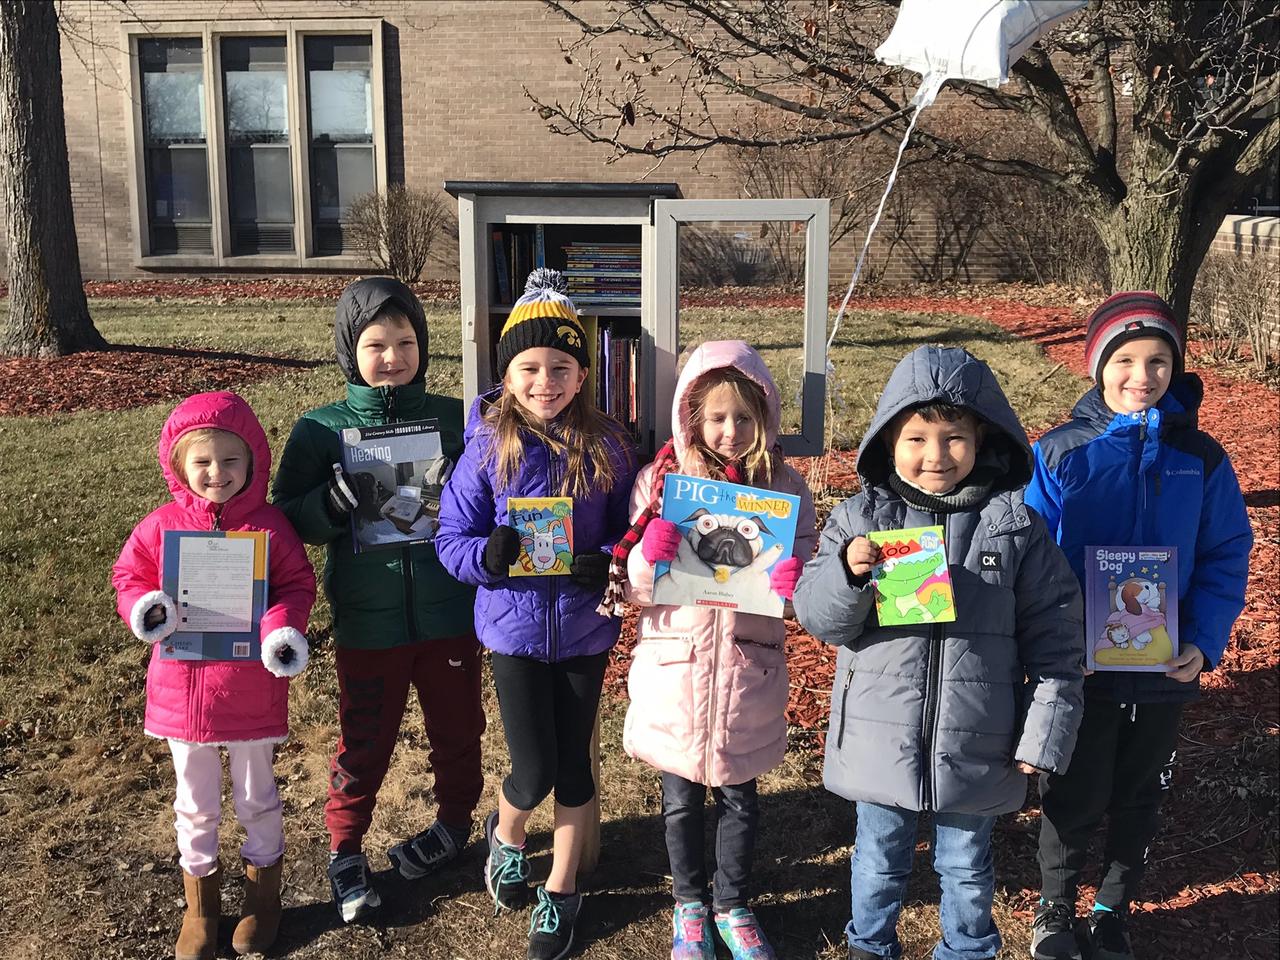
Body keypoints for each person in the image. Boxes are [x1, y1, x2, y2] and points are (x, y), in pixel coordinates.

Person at [793, 346, 1085, 960]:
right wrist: (848, 574)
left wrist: (1043, 735)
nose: (935, 455)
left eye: (954, 438)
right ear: (888, 440)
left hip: (979, 740)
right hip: (879, 736)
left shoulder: (1014, 528)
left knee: (967, 866)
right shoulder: (860, 519)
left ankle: (968, 949)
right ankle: (869, 945)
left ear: (982, 439)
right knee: (876, 859)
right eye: (916, 438)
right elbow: (818, 618)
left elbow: (1058, 639)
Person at [1024, 292, 1252, 960]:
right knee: (1072, 789)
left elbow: (1225, 552)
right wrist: (1055, 643)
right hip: (1080, 667)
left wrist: (1202, 641)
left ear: (1175, 367)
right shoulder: (1060, 452)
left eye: (1158, 361)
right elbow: (1030, 555)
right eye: (1124, 360)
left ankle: (1111, 909)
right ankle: (1055, 907)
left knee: (1139, 792)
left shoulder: (1200, 458)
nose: (1142, 375)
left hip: (1163, 667)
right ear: (1097, 365)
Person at [435, 268, 636, 960]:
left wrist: (606, 561)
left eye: (560, 367)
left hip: (584, 630)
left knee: (575, 769)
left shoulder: (609, 447)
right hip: (513, 633)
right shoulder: (487, 448)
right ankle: (509, 834)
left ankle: (562, 890)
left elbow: (631, 531)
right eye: (529, 368)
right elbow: (450, 539)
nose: (544, 381)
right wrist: (486, 558)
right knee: (533, 770)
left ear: (582, 375)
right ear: (508, 374)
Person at [272, 277, 485, 923]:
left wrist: (466, 496)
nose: (393, 357)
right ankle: (345, 848)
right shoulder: (321, 429)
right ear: (349, 350)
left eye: (406, 342)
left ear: (424, 345)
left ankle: (453, 824)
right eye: (376, 345)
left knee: (459, 730)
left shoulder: (455, 419)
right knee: (364, 738)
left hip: (449, 615)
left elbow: (491, 493)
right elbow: (288, 518)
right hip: (370, 622)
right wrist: (329, 505)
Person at [606, 340, 817, 960]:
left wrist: (795, 581)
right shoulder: (661, 482)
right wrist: (650, 556)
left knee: (740, 799)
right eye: (718, 418)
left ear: (765, 417)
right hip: (678, 669)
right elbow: (632, 587)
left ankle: (733, 904)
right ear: (692, 418)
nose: (731, 431)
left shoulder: (785, 486)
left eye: (745, 418)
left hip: (747, 672)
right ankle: (689, 904)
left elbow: (807, 566)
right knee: (679, 802)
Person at [112, 391, 315, 960]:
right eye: (201, 461)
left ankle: (263, 898)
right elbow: (129, 576)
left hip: (250, 689)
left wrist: (280, 629)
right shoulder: (159, 526)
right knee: (194, 803)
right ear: (178, 466)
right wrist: (147, 608)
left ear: (253, 461)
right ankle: (200, 907)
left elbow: (295, 584)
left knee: (256, 796)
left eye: (230, 460)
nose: (216, 473)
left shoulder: (269, 528)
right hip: (181, 692)